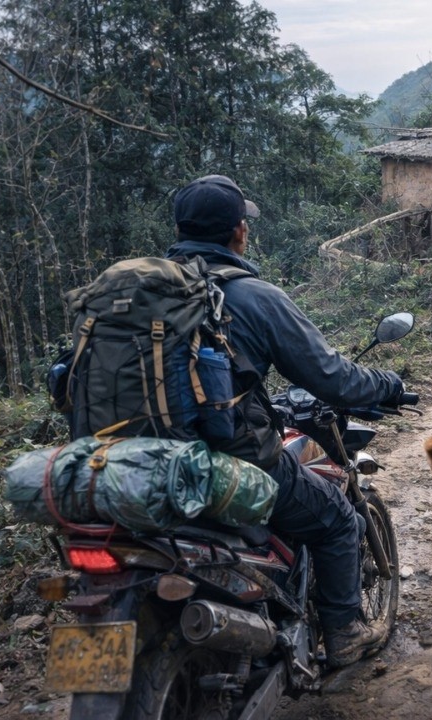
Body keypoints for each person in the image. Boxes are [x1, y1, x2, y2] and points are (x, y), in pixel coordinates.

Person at [167, 174, 406, 668]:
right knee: (337, 519)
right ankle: (343, 631)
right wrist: (388, 384)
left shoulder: (139, 295)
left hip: (131, 463)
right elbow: (333, 378)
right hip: (228, 462)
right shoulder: (252, 296)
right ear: (239, 231)